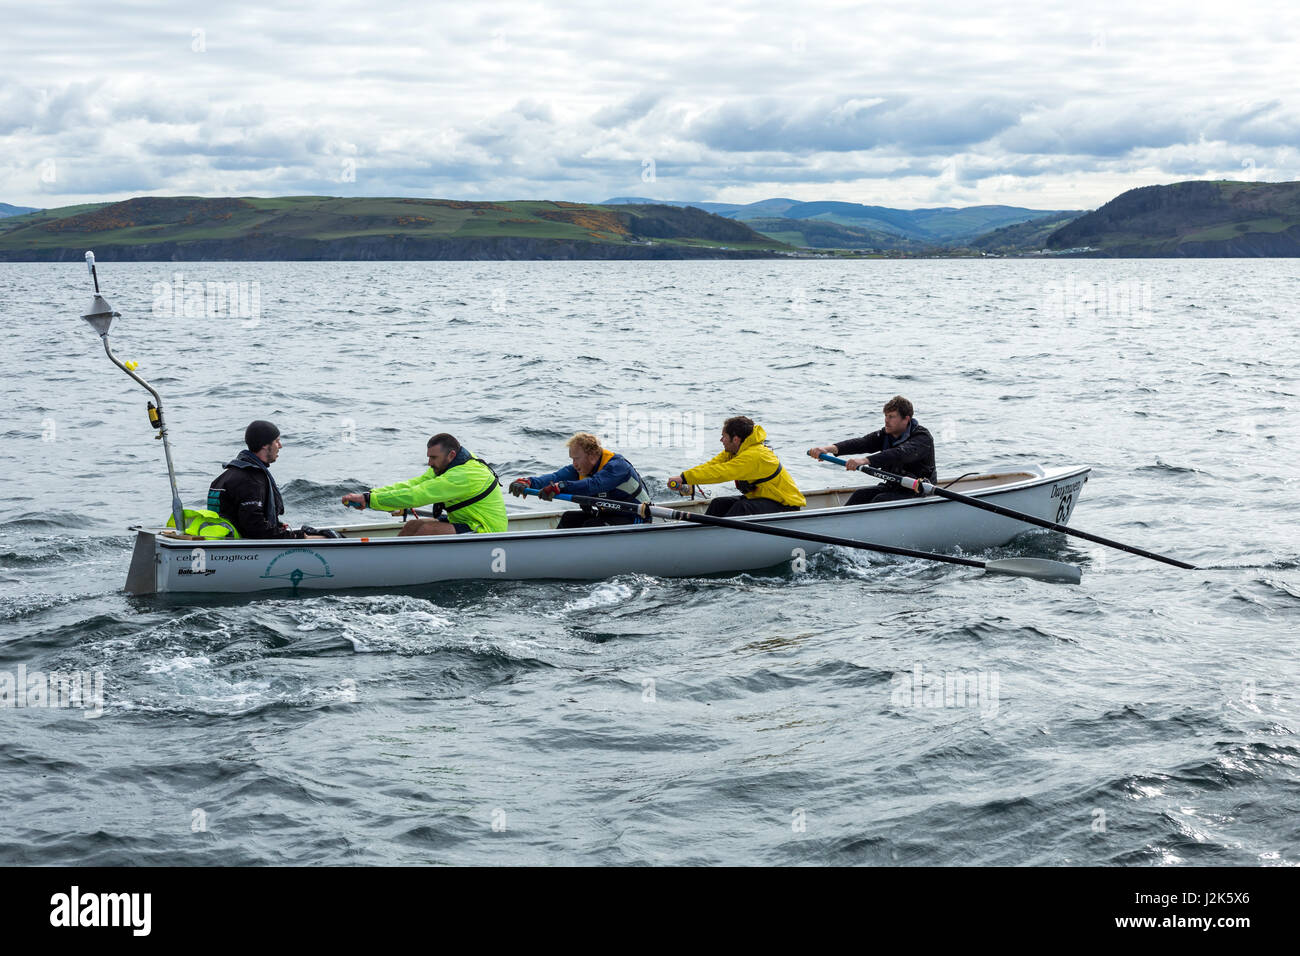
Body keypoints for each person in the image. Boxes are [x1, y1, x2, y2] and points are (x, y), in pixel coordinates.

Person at [341, 433, 507, 536]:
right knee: (413, 525)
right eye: (429, 457)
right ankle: (391, 563)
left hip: (488, 531)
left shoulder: (463, 475)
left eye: (433, 458)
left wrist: (370, 501)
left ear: (451, 455)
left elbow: (416, 495)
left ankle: (398, 567)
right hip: (465, 521)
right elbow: (412, 485)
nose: (429, 463)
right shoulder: (448, 466)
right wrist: (369, 495)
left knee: (426, 531)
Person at [807, 395, 936, 506]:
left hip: (919, 492)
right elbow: (863, 443)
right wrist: (828, 449)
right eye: (886, 416)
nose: (886, 420)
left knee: (880, 500)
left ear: (906, 419)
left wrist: (864, 460)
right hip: (895, 487)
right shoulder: (886, 435)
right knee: (859, 496)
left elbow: (900, 454)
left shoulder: (922, 438)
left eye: (891, 416)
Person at [667, 416, 805, 518]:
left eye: (724, 437)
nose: (721, 440)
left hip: (786, 507)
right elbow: (713, 465)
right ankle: (701, 534)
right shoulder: (737, 450)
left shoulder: (754, 456)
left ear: (736, 439)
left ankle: (718, 539)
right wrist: (687, 478)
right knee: (718, 503)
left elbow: (721, 473)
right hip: (765, 500)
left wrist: (685, 478)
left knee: (742, 507)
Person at [208, 420, 326, 539]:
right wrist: (299, 537)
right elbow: (256, 529)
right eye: (277, 441)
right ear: (264, 445)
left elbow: (240, 519)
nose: (280, 446)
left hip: (226, 545)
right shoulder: (250, 480)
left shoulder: (224, 477)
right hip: (244, 553)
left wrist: (278, 526)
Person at [508, 432, 652, 528]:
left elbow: (594, 485)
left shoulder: (618, 466)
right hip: (610, 515)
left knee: (592, 525)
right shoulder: (580, 469)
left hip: (636, 517)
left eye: (577, 459)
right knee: (568, 518)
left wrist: (561, 487)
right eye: (572, 459)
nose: (574, 464)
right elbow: (555, 478)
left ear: (592, 455)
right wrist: (528, 482)